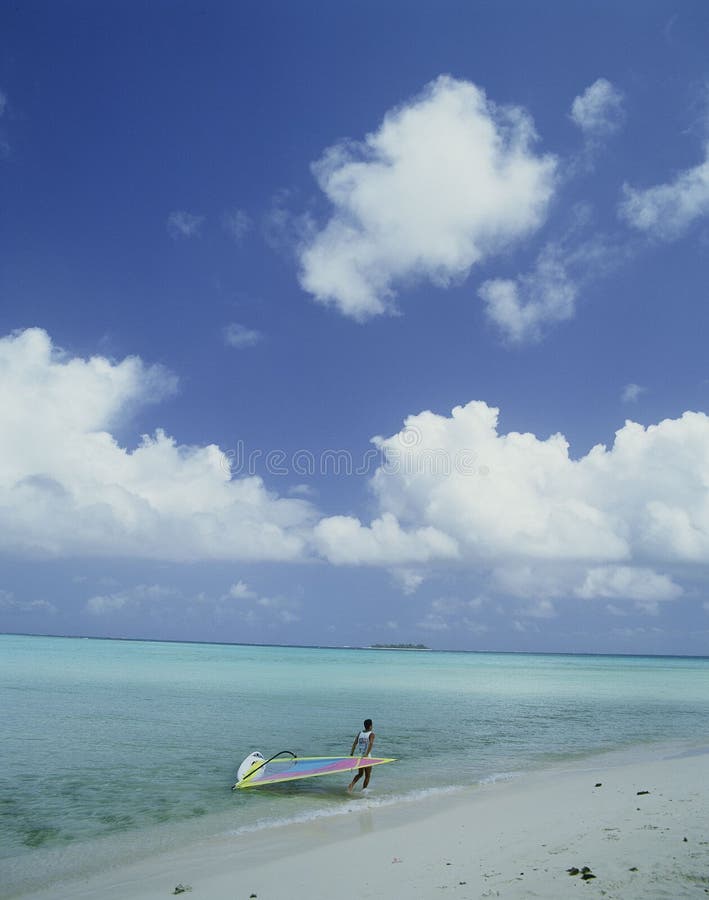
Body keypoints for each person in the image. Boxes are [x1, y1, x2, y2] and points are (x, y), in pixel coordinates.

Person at [347, 718, 375, 793]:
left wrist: (351, 753)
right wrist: (366, 754)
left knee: (360, 774)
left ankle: (351, 785)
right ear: (370, 726)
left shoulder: (360, 733)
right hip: (367, 757)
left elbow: (355, 743)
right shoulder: (371, 734)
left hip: (359, 756)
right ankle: (364, 790)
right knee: (367, 775)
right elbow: (371, 743)